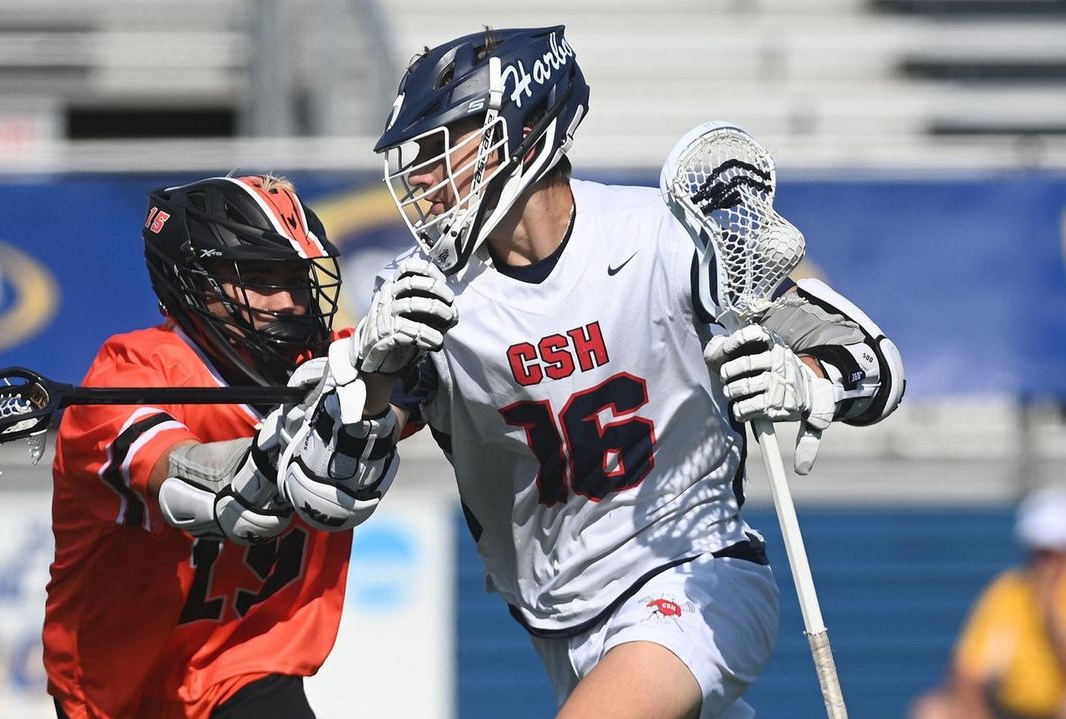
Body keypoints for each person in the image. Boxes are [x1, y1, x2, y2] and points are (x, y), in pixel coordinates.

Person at [361, 26, 907, 719]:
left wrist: (804, 378)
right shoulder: (429, 294)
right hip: (560, 617)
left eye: (456, 137)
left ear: (527, 128)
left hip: (701, 576)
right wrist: (366, 376)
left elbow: (870, 361)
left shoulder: (664, 237)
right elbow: (346, 469)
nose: (429, 177)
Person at [42, 174, 456, 719]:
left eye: (297, 279)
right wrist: (285, 438)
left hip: (252, 672)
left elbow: (404, 393)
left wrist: (386, 373)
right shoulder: (133, 372)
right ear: (194, 283)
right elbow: (198, 492)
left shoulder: (331, 363)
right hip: (116, 694)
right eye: (260, 279)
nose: (289, 301)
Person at [911, 488, 1066, 719]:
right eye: (1040, 553)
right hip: (1011, 710)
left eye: (1055, 554)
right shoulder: (1009, 593)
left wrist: (1050, 617)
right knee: (933, 710)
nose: (1047, 565)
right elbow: (967, 674)